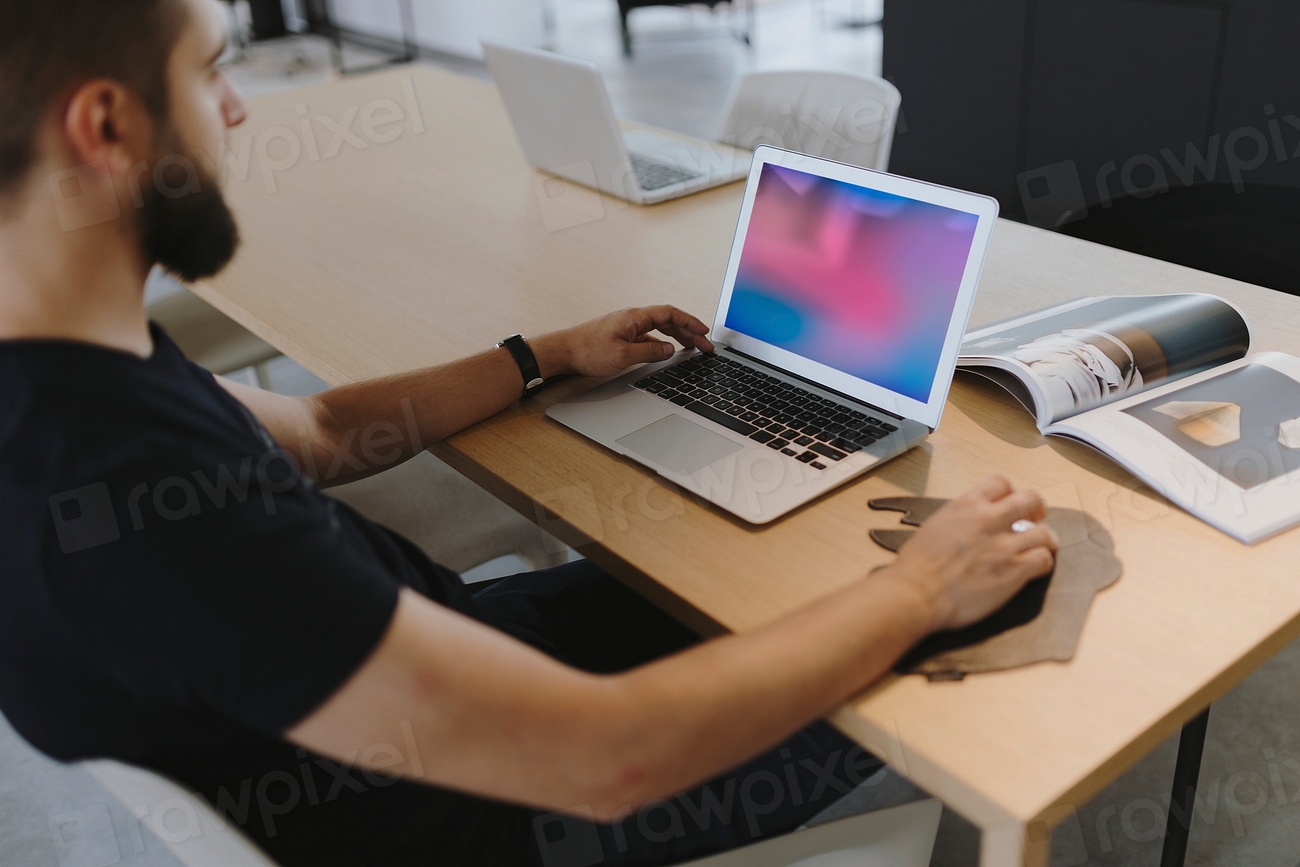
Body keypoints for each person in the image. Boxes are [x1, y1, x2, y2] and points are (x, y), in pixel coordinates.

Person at [0, 1, 1059, 864]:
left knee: (776, 571)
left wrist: (542, 354)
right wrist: (918, 593)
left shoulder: (66, 356)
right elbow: (607, 760)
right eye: (210, 70)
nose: (235, 109)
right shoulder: (138, 507)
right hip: (523, 807)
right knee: (968, 620)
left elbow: (319, 427)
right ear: (106, 126)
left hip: (450, 667)